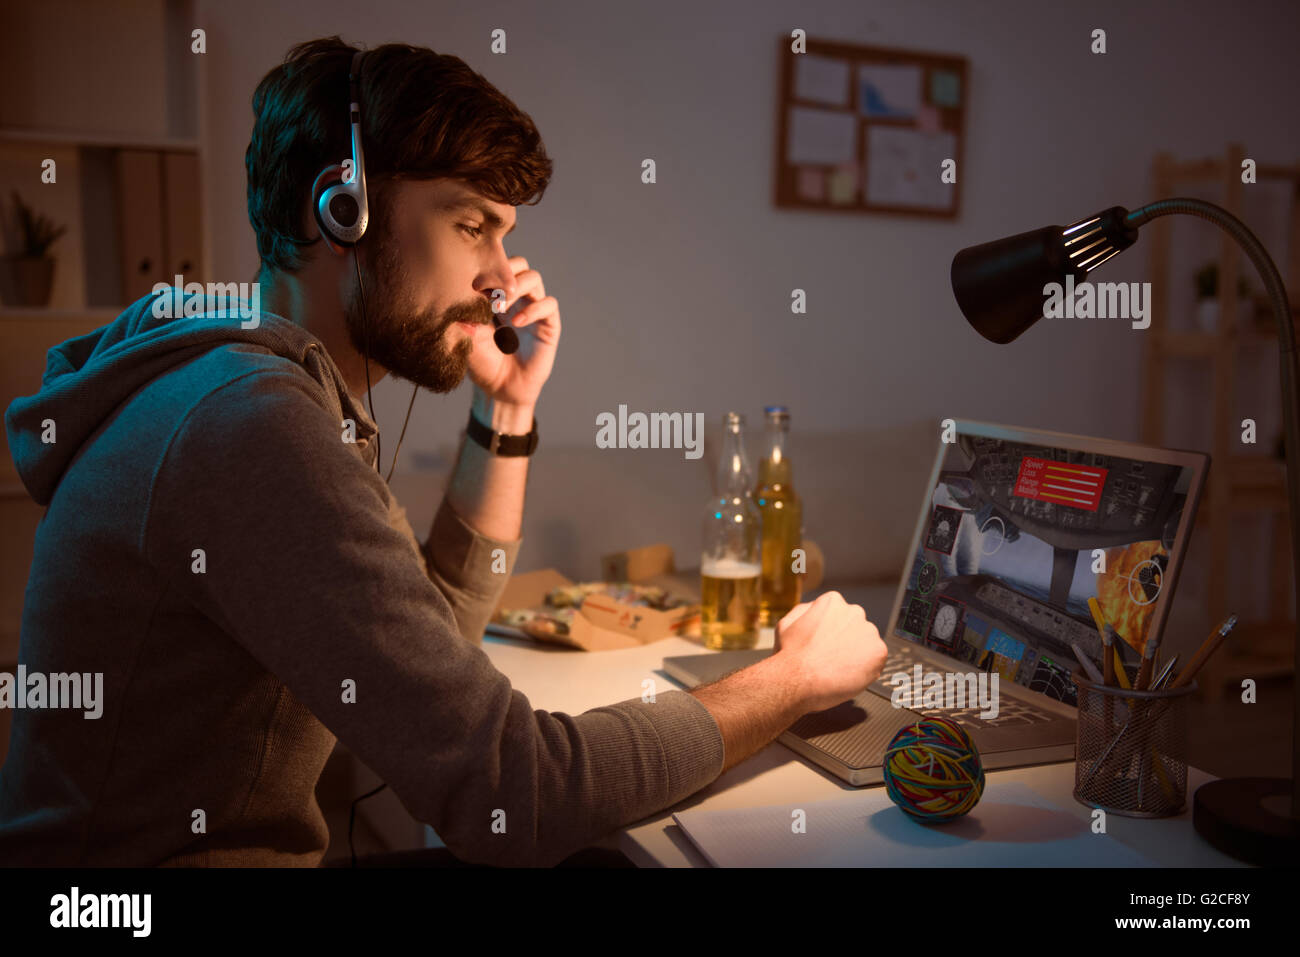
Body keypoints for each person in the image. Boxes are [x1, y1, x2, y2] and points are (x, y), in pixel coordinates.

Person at [0, 37, 886, 867]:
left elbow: (433, 634)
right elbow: (512, 792)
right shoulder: (252, 425)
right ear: (339, 208)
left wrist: (508, 411)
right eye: (472, 225)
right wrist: (792, 679)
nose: (504, 275)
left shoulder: (245, 385)